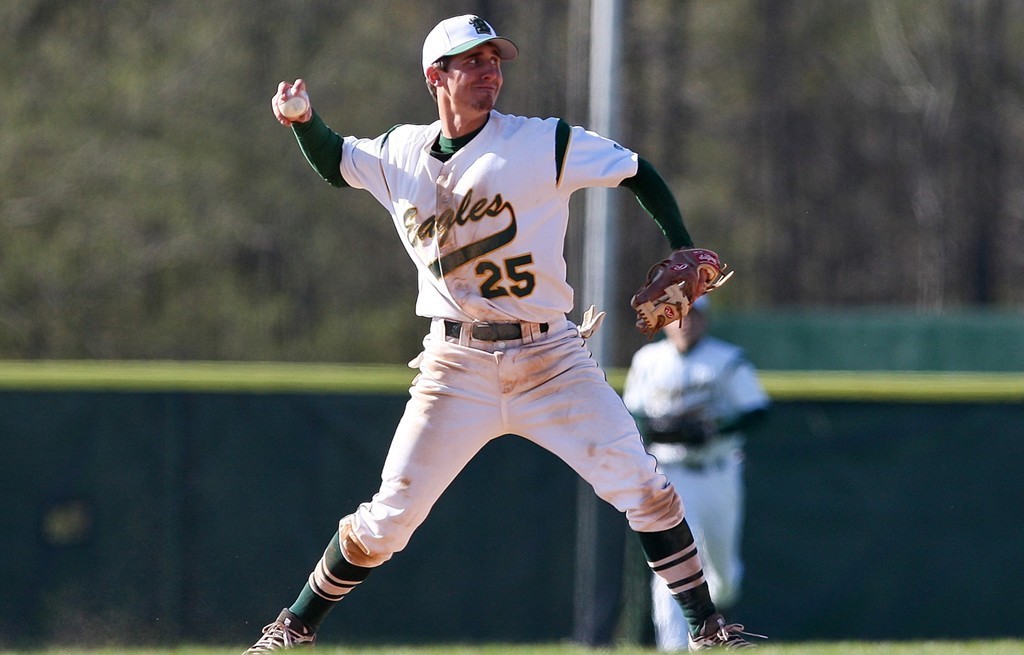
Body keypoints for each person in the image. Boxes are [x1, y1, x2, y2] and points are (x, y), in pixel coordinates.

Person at [246, 14, 759, 652]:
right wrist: (302, 122)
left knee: (644, 486)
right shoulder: (400, 152)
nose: (491, 72)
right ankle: (292, 629)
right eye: (474, 61)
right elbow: (336, 162)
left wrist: (683, 244)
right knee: (389, 521)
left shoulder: (541, 142)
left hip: (551, 357)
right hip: (453, 365)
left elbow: (636, 171)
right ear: (436, 76)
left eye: (496, 61)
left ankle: (709, 631)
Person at [623, 296, 770, 651]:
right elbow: (633, 414)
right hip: (670, 474)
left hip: (717, 471)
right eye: (677, 315)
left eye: (694, 315)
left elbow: (756, 410)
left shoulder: (727, 359)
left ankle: (714, 609)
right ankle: (673, 646)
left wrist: (714, 428)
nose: (685, 322)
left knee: (723, 575)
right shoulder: (648, 360)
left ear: (705, 320)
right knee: (672, 567)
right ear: (665, 320)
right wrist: (658, 428)